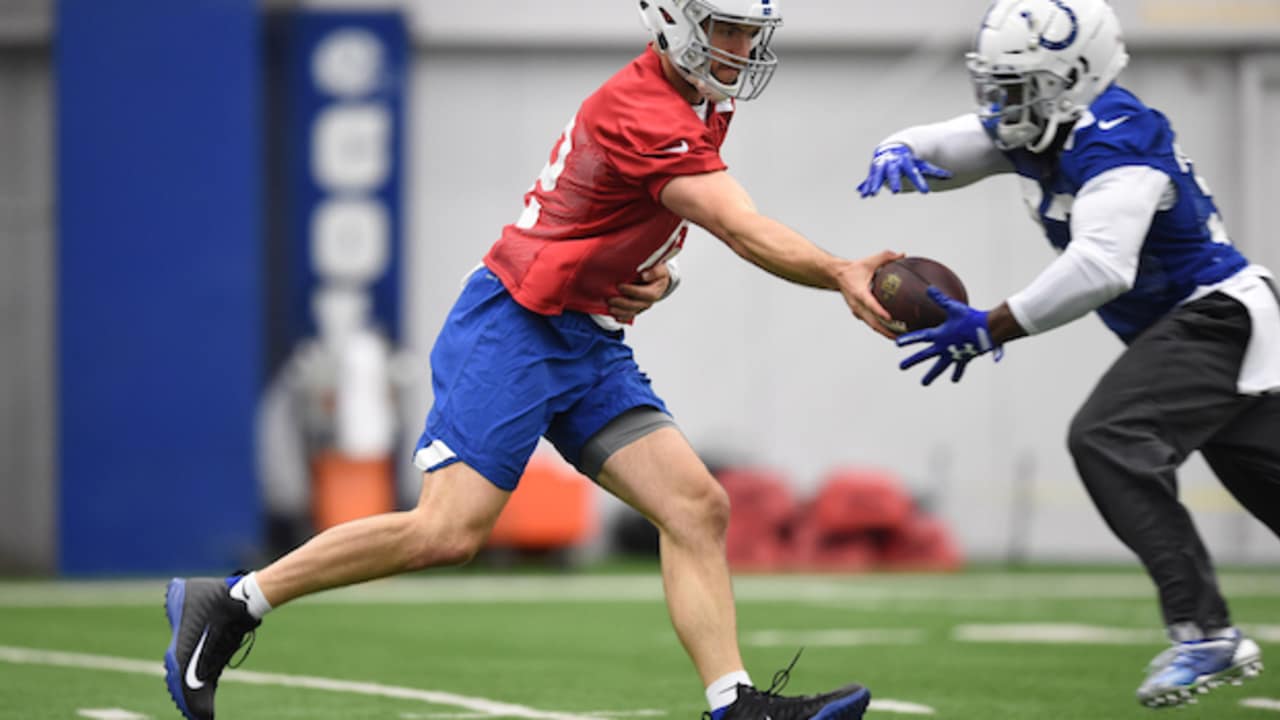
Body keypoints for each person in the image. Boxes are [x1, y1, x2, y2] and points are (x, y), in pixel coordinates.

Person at [163, 2, 899, 719]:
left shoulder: (696, 97)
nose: (739, 46)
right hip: (516, 325)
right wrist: (839, 272)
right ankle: (233, 602)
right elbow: (738, 226)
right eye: (725, 28)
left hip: (585, 339)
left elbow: (626, 216)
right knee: (446, 533)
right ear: (675, 20)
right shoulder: (644, 106)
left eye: (747, 30)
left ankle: (733, 704)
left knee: (695, 506)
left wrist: (661, 275)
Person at [856, 0, 1277, 709]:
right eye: (996, 82)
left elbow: (1102, 267)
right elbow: (950, 141)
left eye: (1018, 84)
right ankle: (1205, 628)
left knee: (1107, 437)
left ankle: (1204, 631)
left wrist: (992, 325)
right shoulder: (1044, 124)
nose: (1000, 102)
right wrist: (898, 148)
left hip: (1216, 318)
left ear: (1075, 77)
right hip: (1198, 330)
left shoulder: (1117, 139)